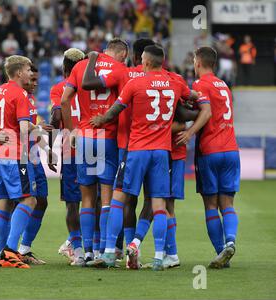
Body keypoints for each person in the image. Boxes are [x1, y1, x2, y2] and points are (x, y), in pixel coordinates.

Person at [89, 45, 198, 270]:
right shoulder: (176, 82)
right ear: (162, 62)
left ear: (144, 62)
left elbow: (116, 110)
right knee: (159, 205)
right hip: (161, 151)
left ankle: (109, 252)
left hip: (136, 149)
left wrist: (102, 120)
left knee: (119, 200)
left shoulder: (135, 83)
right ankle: (159, 257)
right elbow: (192, 99)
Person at [0, 55, 46, 269]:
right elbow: (24, 128)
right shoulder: (20, 94)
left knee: (4, 204)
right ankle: (11, 251)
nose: (30, 73)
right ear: (18, 72)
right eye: (26, 69)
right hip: (15, 156)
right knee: (29, 201)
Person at [61, 39, 129, 265]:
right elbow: (124, 105)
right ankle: (104, 251)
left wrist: (71, 130)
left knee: (87, 198)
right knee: (107, 198)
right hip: (107, 137)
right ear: (122, 53)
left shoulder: (80, 66)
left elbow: (64, 99)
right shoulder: (120, 69)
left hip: (84, 138)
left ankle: (87, 252)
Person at [178, 46, 239, 269]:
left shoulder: (200, 85)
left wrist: (189, 131)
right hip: (231, 149)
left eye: (194, 61)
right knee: (228, 203)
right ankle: (230, 241)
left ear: (198, 62)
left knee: (211, 205)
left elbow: (205, 113)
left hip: (210, 151)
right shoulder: (225, 86)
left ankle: (220, 252)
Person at [49, 48, 85, 265]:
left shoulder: (58, 89)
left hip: (70, 151)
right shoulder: (91, 88)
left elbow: (55, 117)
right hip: (95, 146)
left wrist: (51, 150)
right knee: (96, 201)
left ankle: (78, 251)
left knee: (73, 204)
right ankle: (94, 249)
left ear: (64, 67)